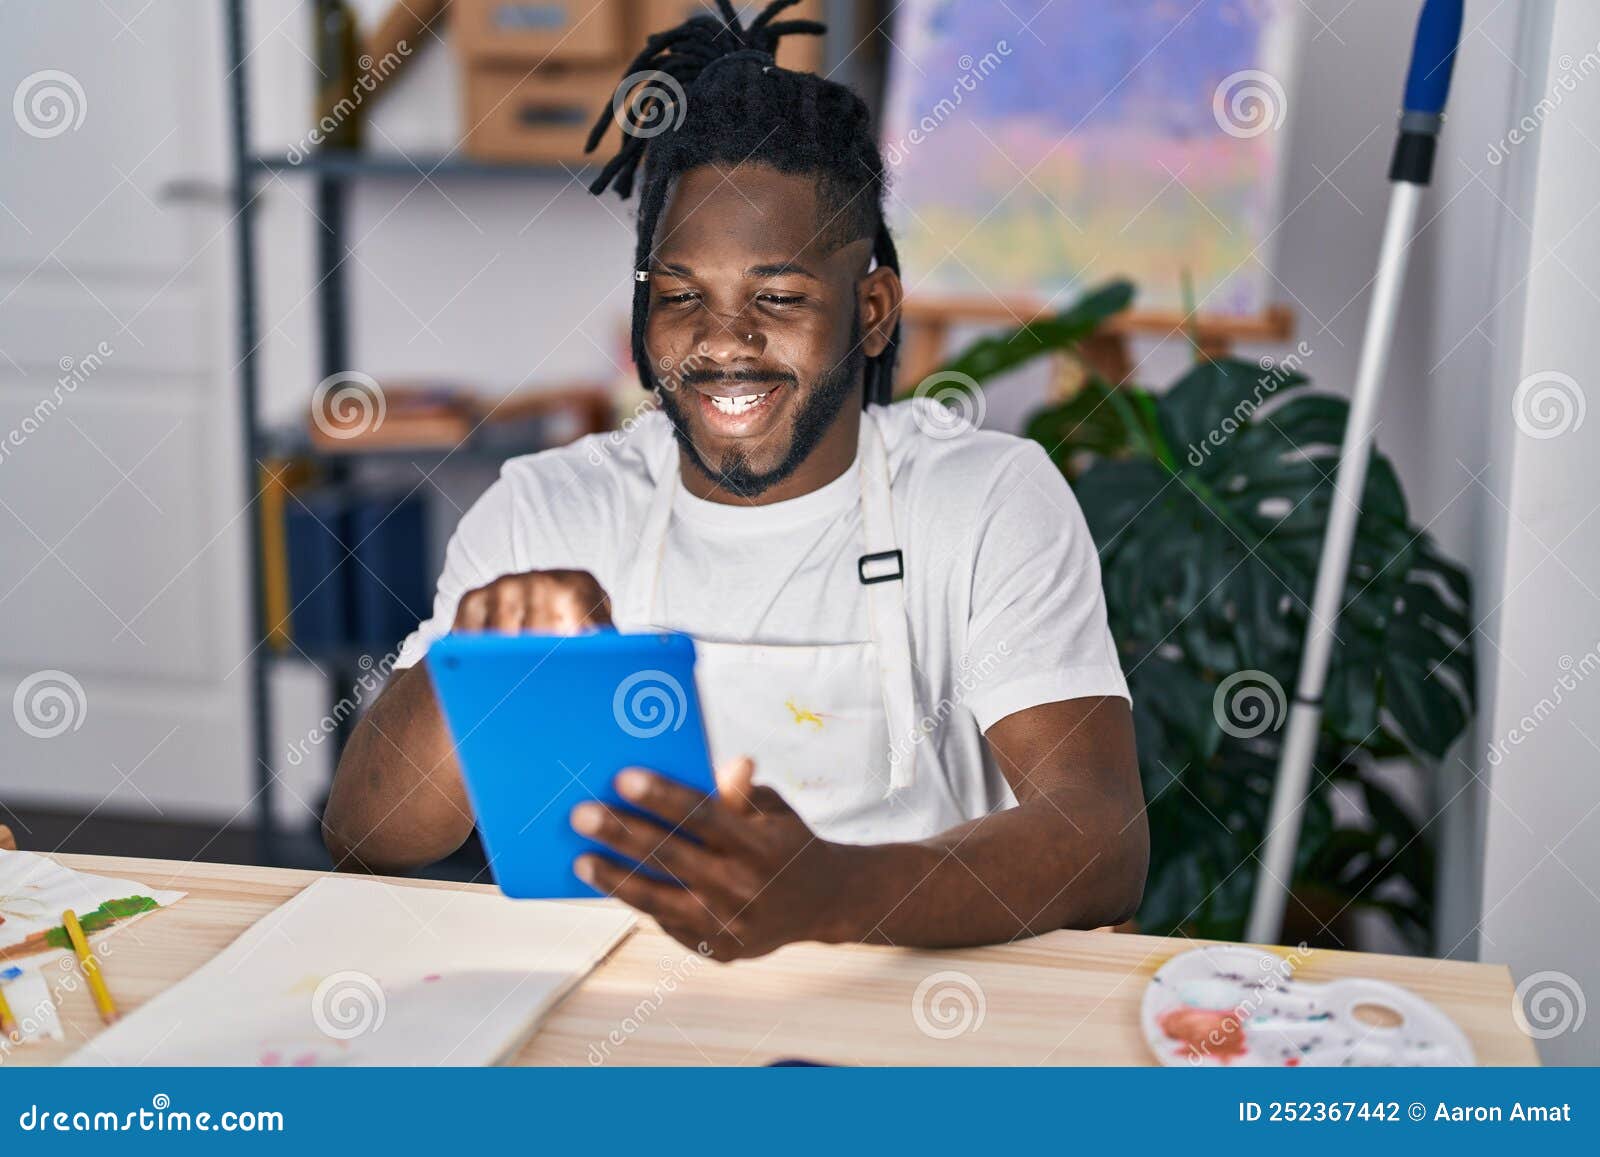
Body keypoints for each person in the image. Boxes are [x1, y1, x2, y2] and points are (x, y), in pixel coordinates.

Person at [323, 0, 1147, 959]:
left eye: (778, 298)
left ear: (872, 309)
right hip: (613, 1025)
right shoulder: (552, 505)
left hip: (898, 1021)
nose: (723, 341)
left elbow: (1101, 838)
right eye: (681, 297)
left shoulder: (984, 496)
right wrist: (469, 668)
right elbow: (364, 833)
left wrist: (833, 895)